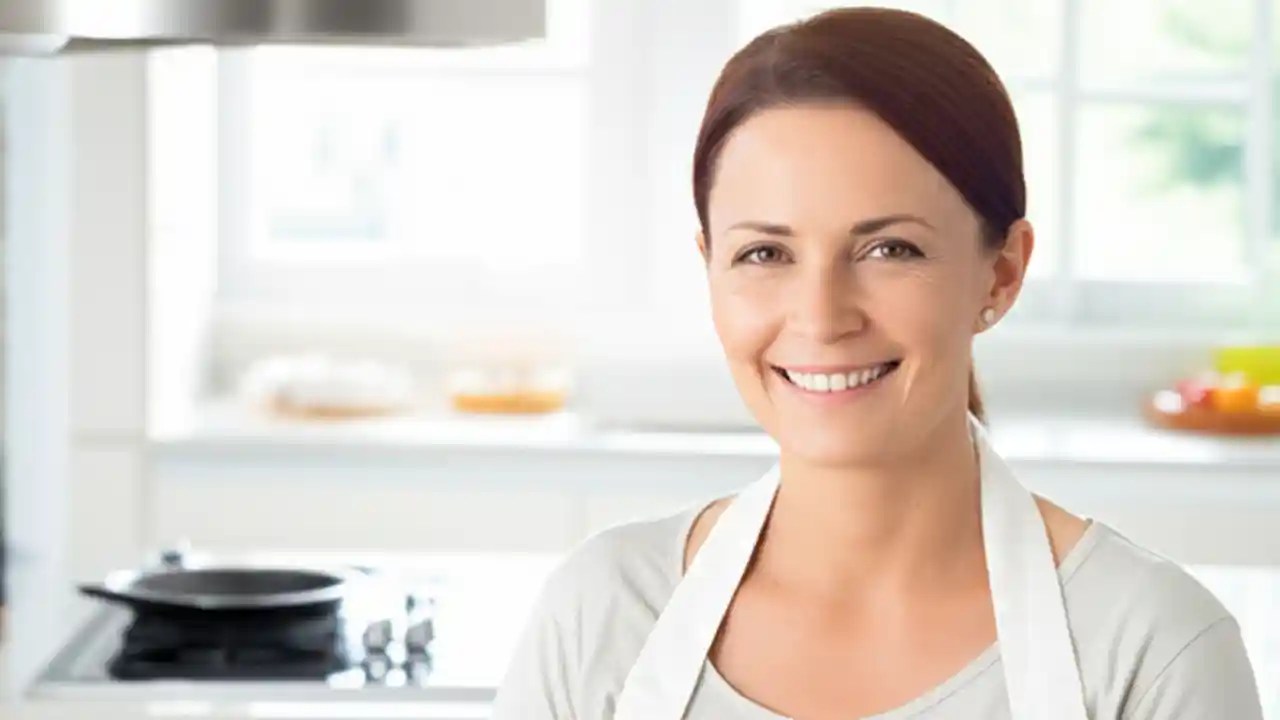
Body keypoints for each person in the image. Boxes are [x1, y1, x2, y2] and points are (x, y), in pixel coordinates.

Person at [491, 7, 1262, 719]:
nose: (822, 317)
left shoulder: (1152, 652)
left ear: (1001, 273)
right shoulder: (601, 616)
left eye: (889, 249)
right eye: (765, 252)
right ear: (710, 268)